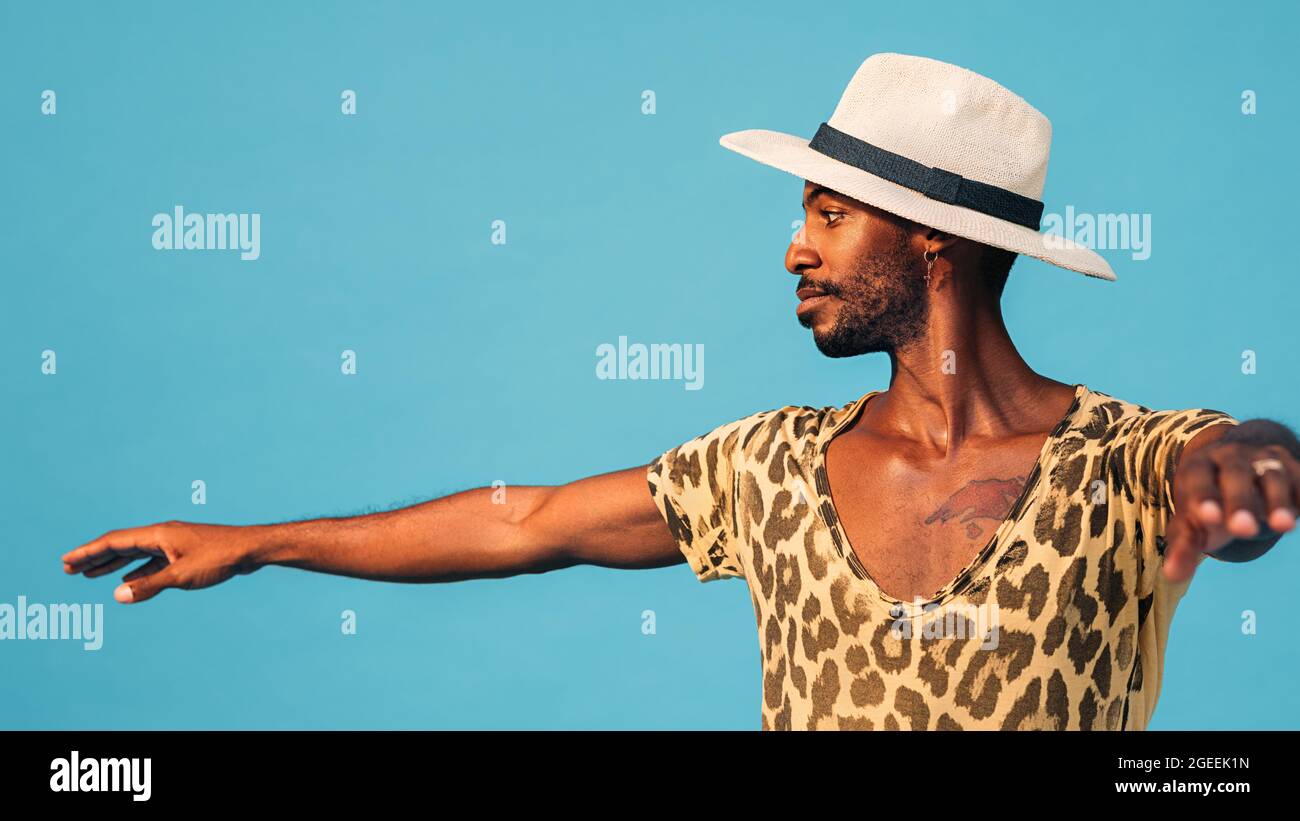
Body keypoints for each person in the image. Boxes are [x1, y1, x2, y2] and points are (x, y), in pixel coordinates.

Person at [63, 53, 1299, 730]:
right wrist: (260, 541)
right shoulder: (768, 467)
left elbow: (1228, 457)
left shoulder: (1118, 463)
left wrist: (1251, 467)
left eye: (826, 212)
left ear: (933, 243)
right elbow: (527, 519)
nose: (793, 249)